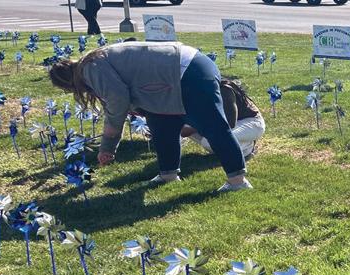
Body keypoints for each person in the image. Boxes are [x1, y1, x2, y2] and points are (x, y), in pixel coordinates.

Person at [48, 41, 252, 192]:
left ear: (70, 84)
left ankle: (238, 181)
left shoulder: (90, 68)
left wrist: (108, 146)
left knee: (213, 126)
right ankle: (168, 174)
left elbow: (117, 100)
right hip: (173, 75)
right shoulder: (92, 61)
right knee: (161, 126)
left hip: (188, 71)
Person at [182, 79, 265, 162]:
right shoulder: (196, 91)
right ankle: (228, 147)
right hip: (228, 124)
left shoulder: (224, 89)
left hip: (251, 122)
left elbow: (230, 122)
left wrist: (196, 127)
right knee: (183, 126)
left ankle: (247, 147)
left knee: (208, 142)